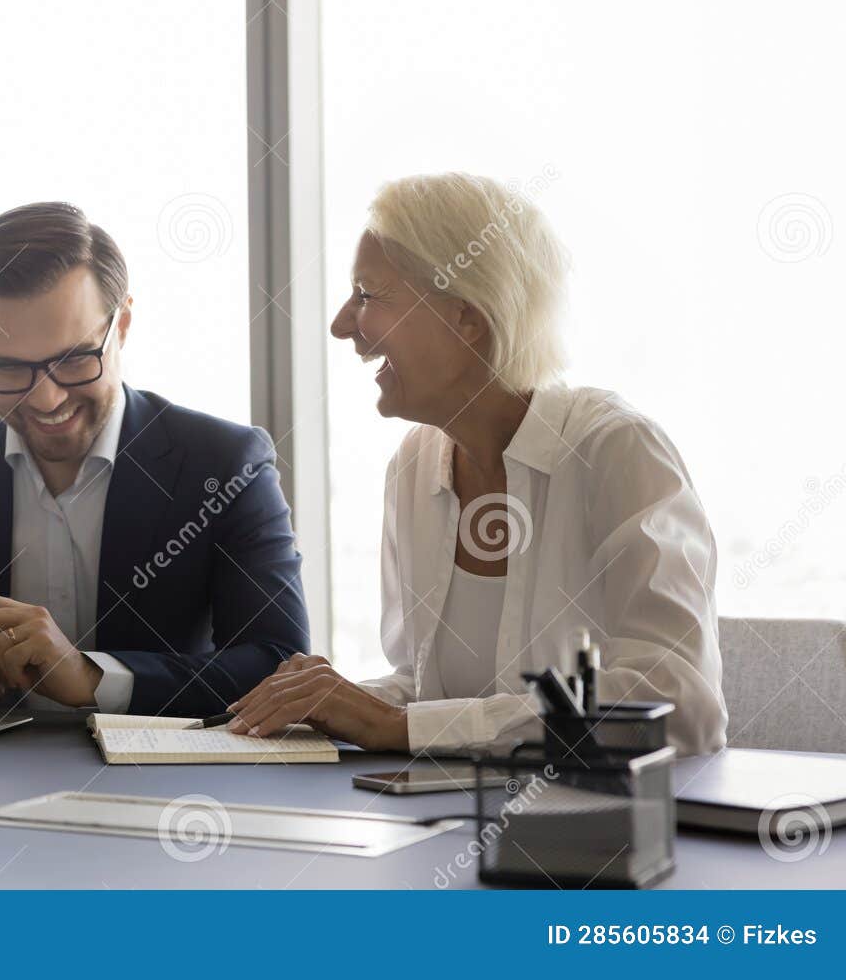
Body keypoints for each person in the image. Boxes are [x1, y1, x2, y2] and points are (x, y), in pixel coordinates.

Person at [226, 173, 727, 755]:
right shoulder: (413, 466)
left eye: (366, 294)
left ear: (466, 317)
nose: (341, 325)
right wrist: (331, 702)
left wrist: (400, 725)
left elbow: (678, 706)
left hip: (601, 815)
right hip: (456, 808)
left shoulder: (618, 450)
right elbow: (428, 692)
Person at [0, 201, 308, 718]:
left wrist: (94, 677)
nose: (45, 399)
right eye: (8, 369)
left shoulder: (225, 464)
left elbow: (279, 663)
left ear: (122, 325)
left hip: (164, 767)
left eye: (74, 359)